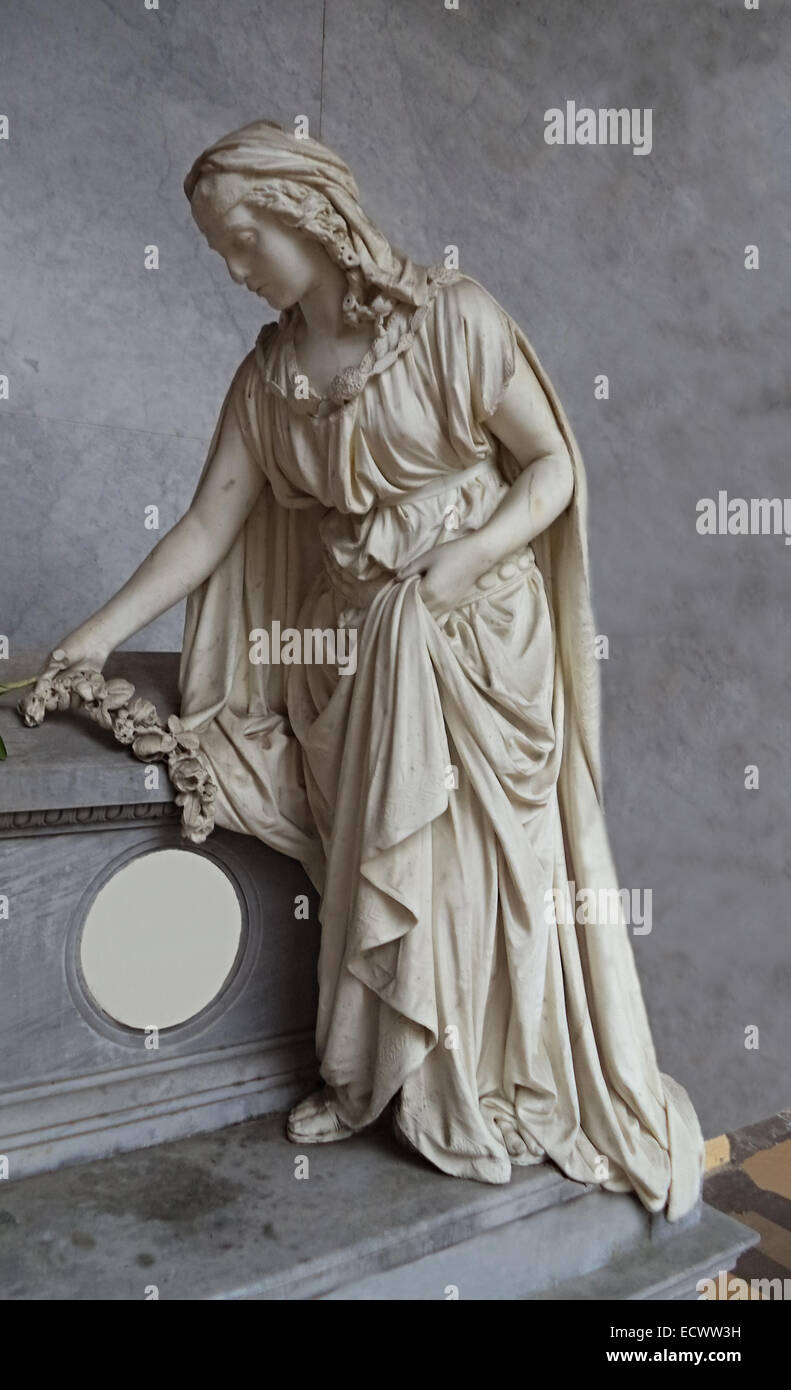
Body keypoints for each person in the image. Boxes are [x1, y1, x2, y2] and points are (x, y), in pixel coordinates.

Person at [39, 120, 704, 1220]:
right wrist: (95, 634)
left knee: (486, 877)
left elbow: (549, 468)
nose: (236, 269)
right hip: (350, 652)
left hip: (480, 640)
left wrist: (469, 557)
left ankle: (501, 1082)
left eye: (245, 240)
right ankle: (389, 1078)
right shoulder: (268, 378)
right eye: (220, 251)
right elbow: (208, 525)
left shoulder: (454, 322)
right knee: (383, 867)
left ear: (308, 216)